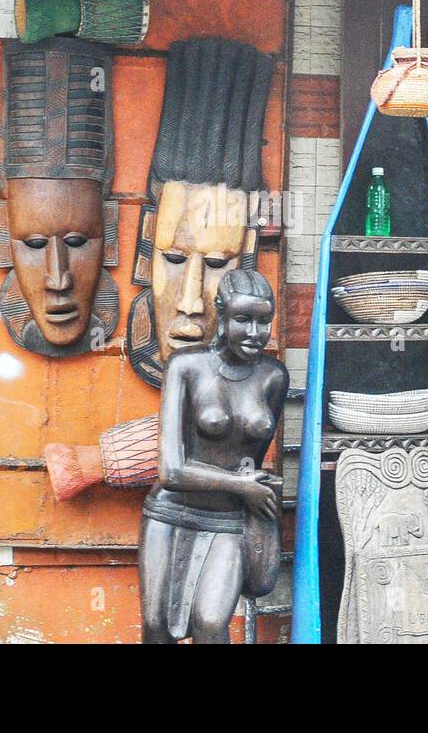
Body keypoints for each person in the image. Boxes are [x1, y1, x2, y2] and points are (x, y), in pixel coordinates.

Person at [138, 269, 288, 643]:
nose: (255, 333)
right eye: (243, 319)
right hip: (170, 513)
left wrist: (256, 491)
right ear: (220, 313)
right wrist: (242, 485)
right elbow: (170, 471)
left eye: (264, 322)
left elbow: (250, 457)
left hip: (230, 520)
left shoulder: (273, 377)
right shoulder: (185, 366)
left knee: (210, 623)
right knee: (157, 628)